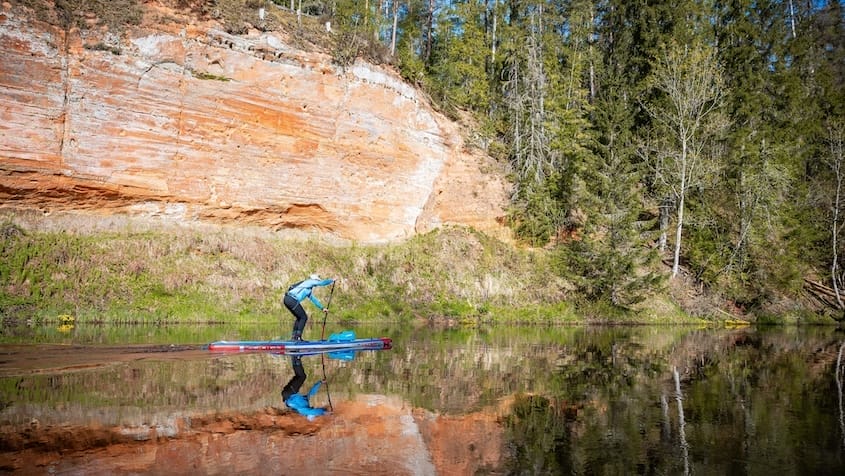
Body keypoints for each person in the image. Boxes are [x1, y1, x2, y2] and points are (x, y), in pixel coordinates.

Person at [284, 274, 334, 341]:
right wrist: (331, 280)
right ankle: (298, 337)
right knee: (304, 317)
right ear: (314, 280)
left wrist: (322, 308)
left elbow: (314, 300)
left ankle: (294, 337)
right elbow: (322, 283)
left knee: (299, 317)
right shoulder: (309, 281)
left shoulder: (308, 289)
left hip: (287, 299)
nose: (316, 284)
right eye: (317, 281)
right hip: (291, 299)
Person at [281, 355, 327, 420]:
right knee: (299, 376)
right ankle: (294, 358)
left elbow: (315, 412)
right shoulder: (305, 404)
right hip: (287, 394)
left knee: (302, 377)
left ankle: (297, 358)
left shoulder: (304, 411)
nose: (313, 407)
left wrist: (325, 412)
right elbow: (312, 391)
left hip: (290, 393)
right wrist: (320, 382)